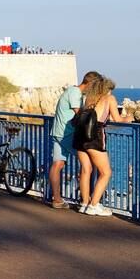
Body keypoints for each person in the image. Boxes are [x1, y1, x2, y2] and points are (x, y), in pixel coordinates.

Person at [74, 76, 127, 216]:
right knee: (106, 172)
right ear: (107, 89)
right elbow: (118, 119)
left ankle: (84, 203)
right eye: (110, 90)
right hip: (94, 137)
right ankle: (94, 205)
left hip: (80, 136)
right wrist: (129, 118)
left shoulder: (89, 99)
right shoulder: (110, 99)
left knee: (86, 170)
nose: (111, 92)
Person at [48, 71, 101, 210]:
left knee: (58, 164)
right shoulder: (75, 93)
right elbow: (81, 115)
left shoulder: (72, 91)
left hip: (58, 132)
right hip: (67, 134)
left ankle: (57, 199)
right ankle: (87, 201)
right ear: (90, 84)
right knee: (89, 163)